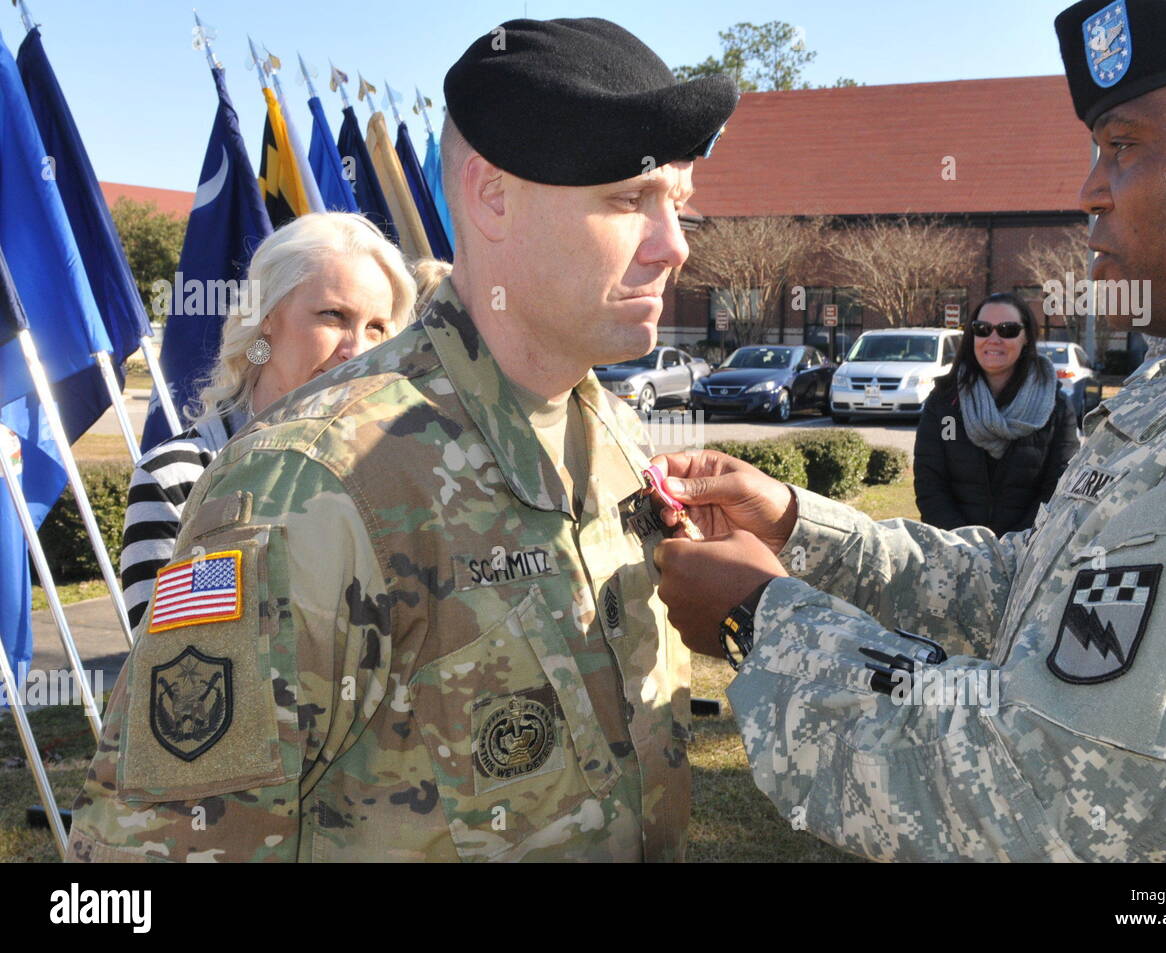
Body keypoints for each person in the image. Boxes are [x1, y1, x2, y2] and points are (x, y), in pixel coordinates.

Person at [69, 17, 737, 862]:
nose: (673, 246)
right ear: (494, 197)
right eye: (629, 200)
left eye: (676, 202)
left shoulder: (611, 436)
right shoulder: (305, 486)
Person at [652, 0, 1166, 862]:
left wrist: (762, 618)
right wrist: (795, 524)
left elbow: (1042, 801)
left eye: (1124, 145)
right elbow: (1029, 595)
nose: (1089, 189)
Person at [119, 212, 416, 629]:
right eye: (333, 315)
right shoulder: (181, 475)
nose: (356, 350)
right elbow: (167, 671)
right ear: (267, 318)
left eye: (377, 328)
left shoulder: (399, 470)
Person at [913, 292, 1080, 535]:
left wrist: (1013, 546)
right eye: (982, 329)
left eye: (1007, 330)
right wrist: (967, 544)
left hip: (1028, 554)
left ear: (1026, 338)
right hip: (957, 551)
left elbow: (1059, 488)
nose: (993, 338)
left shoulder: (1056, 406)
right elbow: (930, 484)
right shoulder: (943, 404)